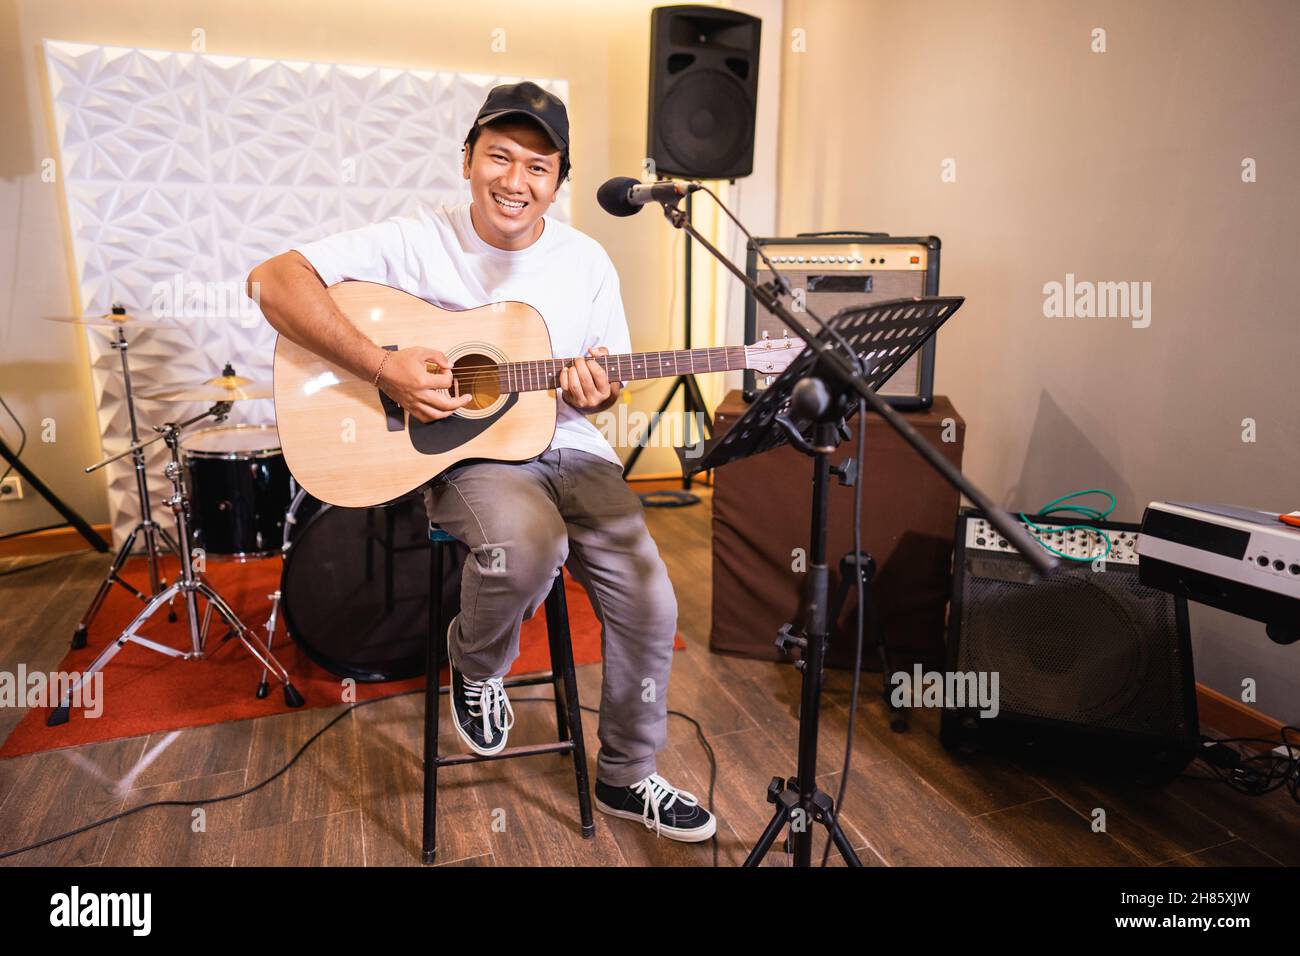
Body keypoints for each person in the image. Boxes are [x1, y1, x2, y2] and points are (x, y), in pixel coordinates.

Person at [249, 81, 715, 843]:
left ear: (559, 184)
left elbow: (605, 381)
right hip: (477, 459)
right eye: (500, 156)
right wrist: (381, 366)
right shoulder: (414, 239)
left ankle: (629, 775)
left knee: (653, 601)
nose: (516, 180)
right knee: (527, 546)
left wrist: (596, 395)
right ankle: (476, 662)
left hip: (574, 450)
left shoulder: (587, 260)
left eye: (539, 167)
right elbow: (272, 280)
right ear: (467, 159)